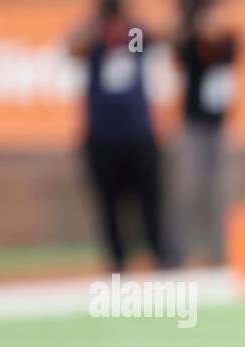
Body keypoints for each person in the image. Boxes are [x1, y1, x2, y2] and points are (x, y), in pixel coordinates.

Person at [67, 0, 171, 272]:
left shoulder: (134, 35)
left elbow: (160, 38)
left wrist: (129, 23)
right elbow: (73, 47)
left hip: (137, 132)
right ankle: (118, 261)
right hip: (103, 135)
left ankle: (158, 255)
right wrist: (97, 24)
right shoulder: (94, 37)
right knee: (109, 203)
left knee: (150, 201)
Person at [171, 0, 239, 265]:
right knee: (188, 191)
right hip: (193, 126)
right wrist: (194, 29)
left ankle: (219, 253)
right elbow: (181, 54)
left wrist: (214, 31)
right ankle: (181, 252)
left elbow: (230, 52)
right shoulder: (189, 44)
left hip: (220, 127)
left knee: (221, 193)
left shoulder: (227, 42)